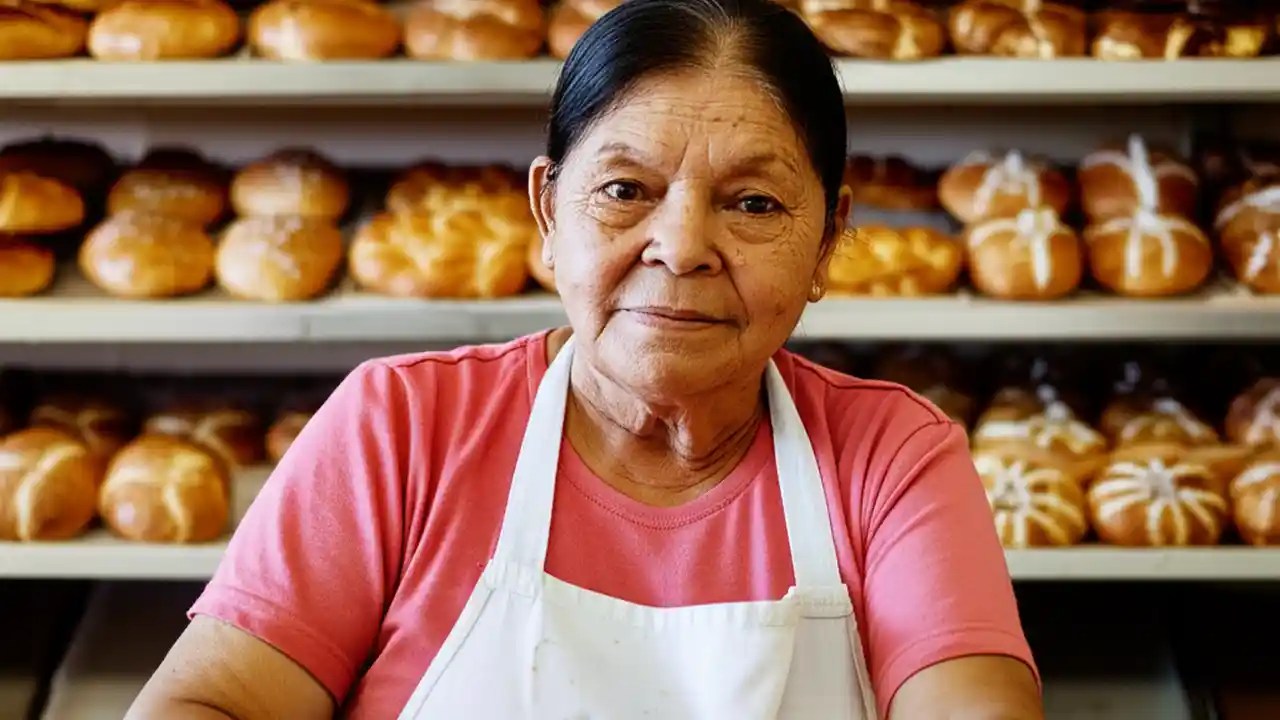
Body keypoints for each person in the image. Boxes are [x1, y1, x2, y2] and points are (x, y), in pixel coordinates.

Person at [129, 1, 1042, 718]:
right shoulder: (402, 426)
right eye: (623, 190)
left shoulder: (893, 458)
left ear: (829, 241)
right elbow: (212, 703)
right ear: (548, 215)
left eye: (755, 204)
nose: (681, 247)